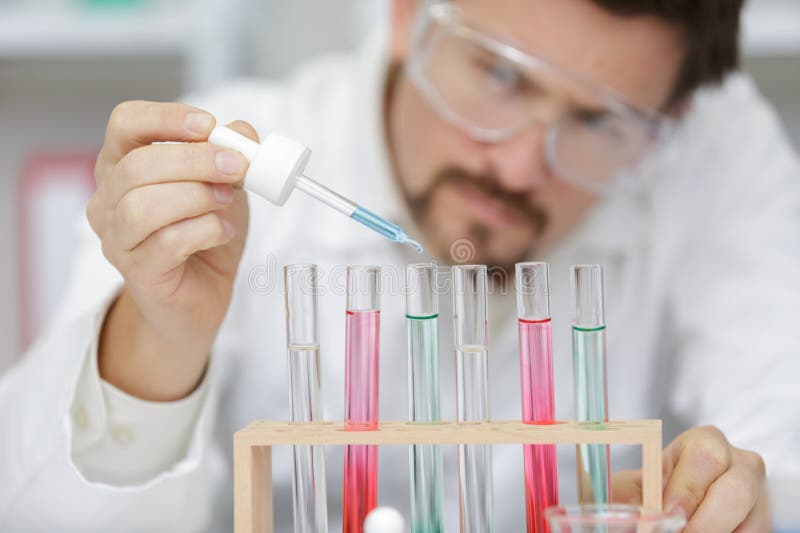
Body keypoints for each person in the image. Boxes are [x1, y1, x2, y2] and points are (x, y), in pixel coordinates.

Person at [2, 0, 798, 531]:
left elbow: (780, 441)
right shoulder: (224, 167)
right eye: (500, 75)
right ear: (407, 15)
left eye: (598, 121)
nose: (519, 166)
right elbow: (41, 510)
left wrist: (734, 493)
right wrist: (158, 339)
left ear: (675, 118)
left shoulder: (717, 160)